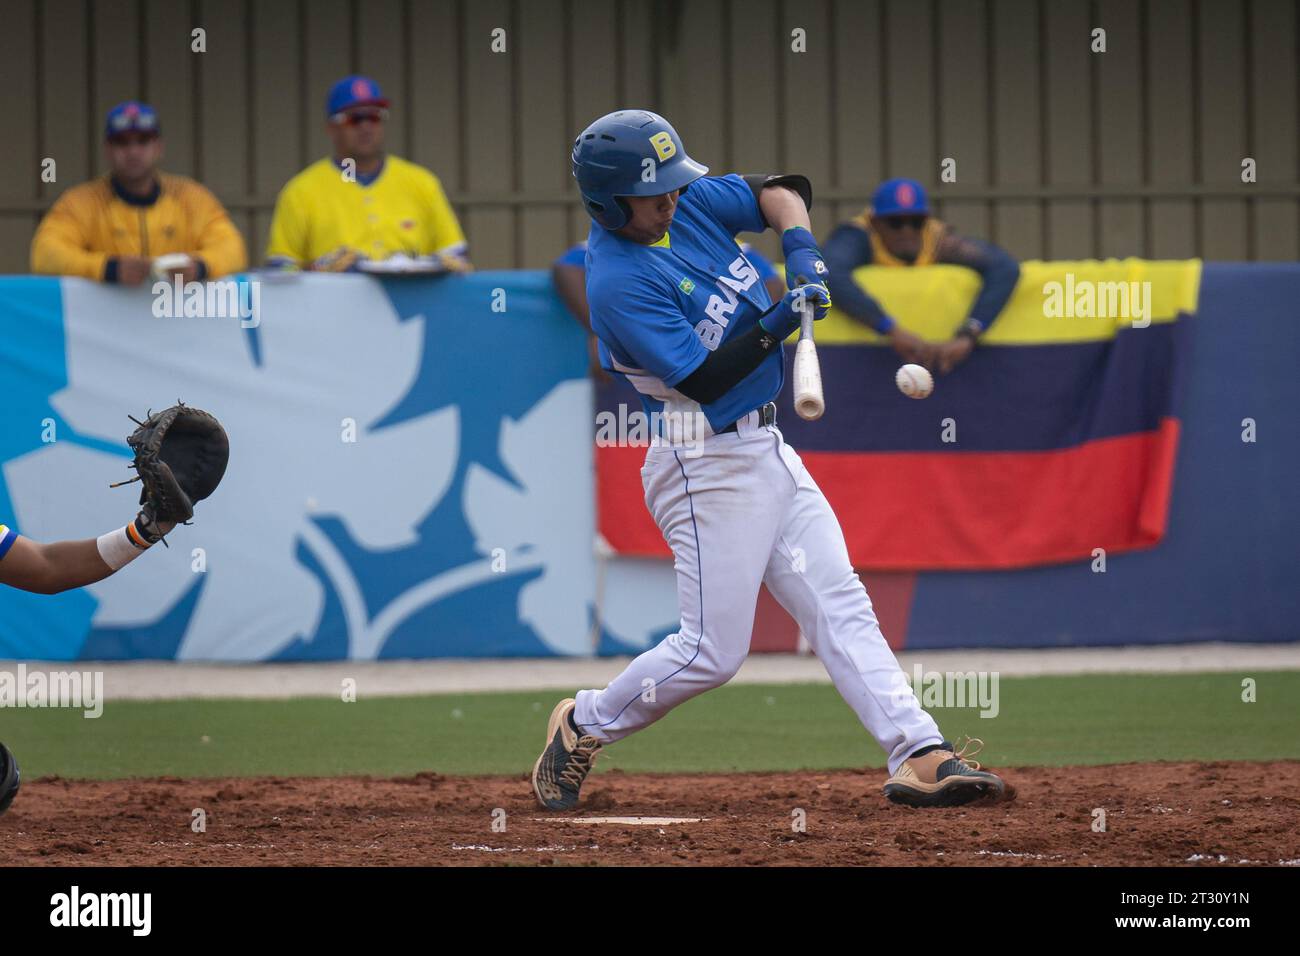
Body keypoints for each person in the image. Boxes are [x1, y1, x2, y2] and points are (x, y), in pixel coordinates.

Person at [530, 110, 1007, 811]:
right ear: (607, 203)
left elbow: (780, 190)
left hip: (766, 448)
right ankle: (584, 723)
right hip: (704, 460)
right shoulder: (616, 281)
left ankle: (918, 751)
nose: (669, 200)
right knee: (710, 654)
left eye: (670, 185)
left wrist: (803, 249)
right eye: (651, 194)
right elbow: (705, 380)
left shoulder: (682, 202)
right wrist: (779, 321)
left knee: (840, 604)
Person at [266, 75, 470, 272]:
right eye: (354, 119)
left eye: (374, 116)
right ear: (331, 127)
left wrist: (435, 264)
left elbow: (455, 255)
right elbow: (281, 268)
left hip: (408, 305)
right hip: (334, 305)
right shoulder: (301, 191)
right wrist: (319, 269)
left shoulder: (422, 182)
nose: (366, 127)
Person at [31, 101, 248, 284]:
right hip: (106, 327)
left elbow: (233, 249)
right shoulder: (80, 202)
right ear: (107, 149)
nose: (133, 152)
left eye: (143, 141)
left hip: (178, 325)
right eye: (122, 143)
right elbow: (45, 255)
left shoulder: (191, 197)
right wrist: (109, 268)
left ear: (159, 147)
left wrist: (199, 266)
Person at [822, 177, 1020, 373]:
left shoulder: (938, 240)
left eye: (916, 222)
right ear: (875, 222)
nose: (907, 231)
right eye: (895, 222)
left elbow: (1005, 268)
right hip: (863, 361)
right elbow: (828, 272)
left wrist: (968, 335)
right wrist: (890, 330)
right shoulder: (858, 236)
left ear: (926, 220)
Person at [553, 239, 785, 381]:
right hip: (653, 369)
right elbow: (568, 266)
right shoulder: (636, 238)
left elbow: (772, 282)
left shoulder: (721, 240)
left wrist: (747, 338)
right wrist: (599, 331)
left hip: (713, 367)